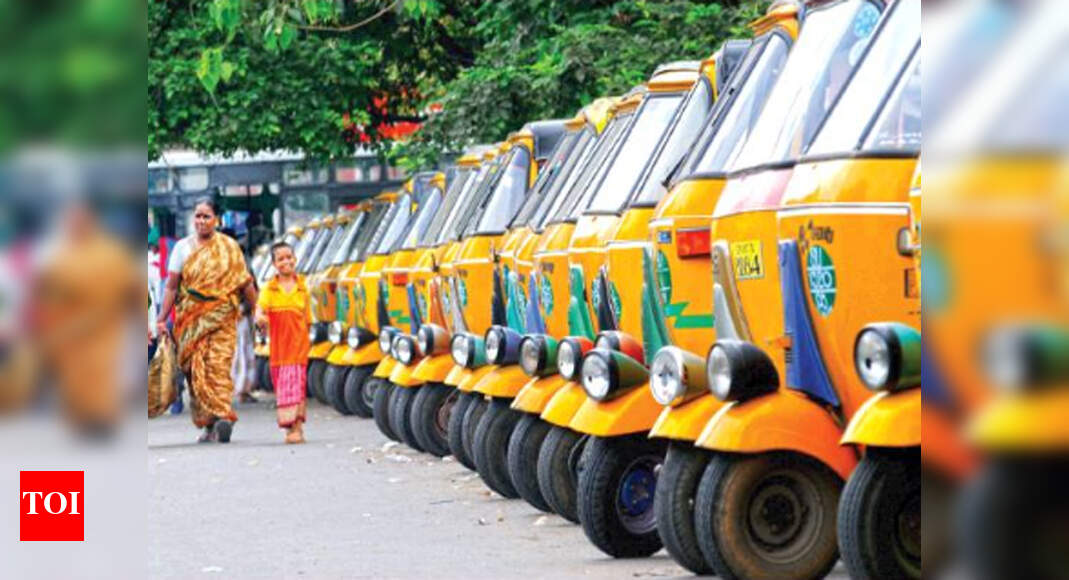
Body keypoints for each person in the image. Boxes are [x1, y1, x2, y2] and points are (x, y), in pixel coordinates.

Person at [155, 198, 257, 443]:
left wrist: (258, 311)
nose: (201, 221)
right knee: (196, 371)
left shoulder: (229, 247)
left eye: (206, 216)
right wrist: (161, 319)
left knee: (219, 366)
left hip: (222, 317)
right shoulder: (182, 248)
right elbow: (171, 287)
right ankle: (209, 424)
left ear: (217, 220)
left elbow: (245, 283)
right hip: (191, 321)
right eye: (198, 216)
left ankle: (222, 415)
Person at [254, 242, 310, 444]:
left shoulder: (303, 287)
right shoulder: (270, 288)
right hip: (279, 350)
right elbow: (260, 309)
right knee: (284, 388)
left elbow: (308, 320)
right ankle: (290, 427)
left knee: (296, 386)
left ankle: (296, 428)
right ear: (274, 264)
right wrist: (260, 317)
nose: (287, 262)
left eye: (289, 257)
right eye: (281, 259)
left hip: (299, 347)